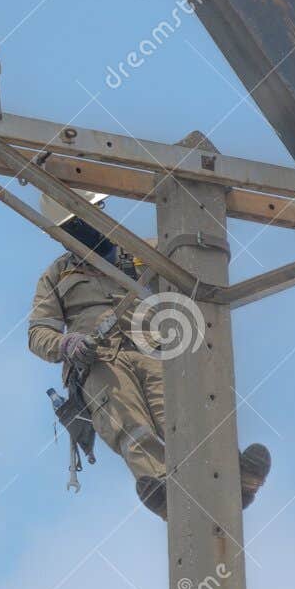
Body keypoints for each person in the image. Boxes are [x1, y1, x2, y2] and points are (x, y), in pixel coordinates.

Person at [26, 194, 272, 520]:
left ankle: (231, 479)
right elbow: (38, 333)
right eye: (69, 228)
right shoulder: (56, 276)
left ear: (96, 211)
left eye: (81, 220)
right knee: (129, 424)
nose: (78, 230)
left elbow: (195, 272)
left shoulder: (143, 252)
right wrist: (67, 344)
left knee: (183, 415)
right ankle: (163, 488)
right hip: (100, 362)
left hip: (153, 349)